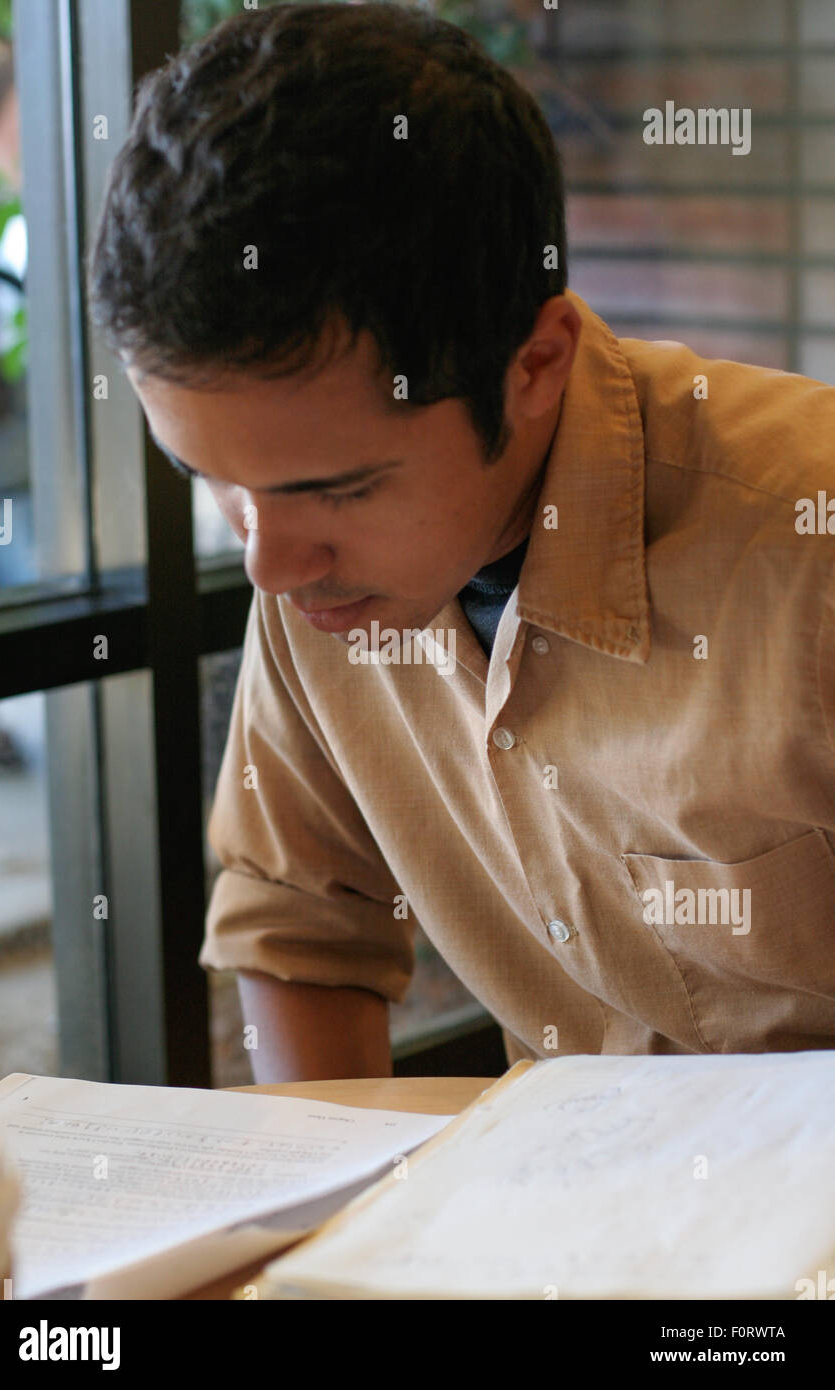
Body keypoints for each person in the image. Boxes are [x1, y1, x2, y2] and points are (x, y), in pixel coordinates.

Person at [88, 3, 835, 1082]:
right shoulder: (310, 570)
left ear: (533, 364)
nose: (266, 560)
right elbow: (303, 924)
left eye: (336, 487)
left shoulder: (801, 543)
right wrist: (345, 1234)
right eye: (211, 480)